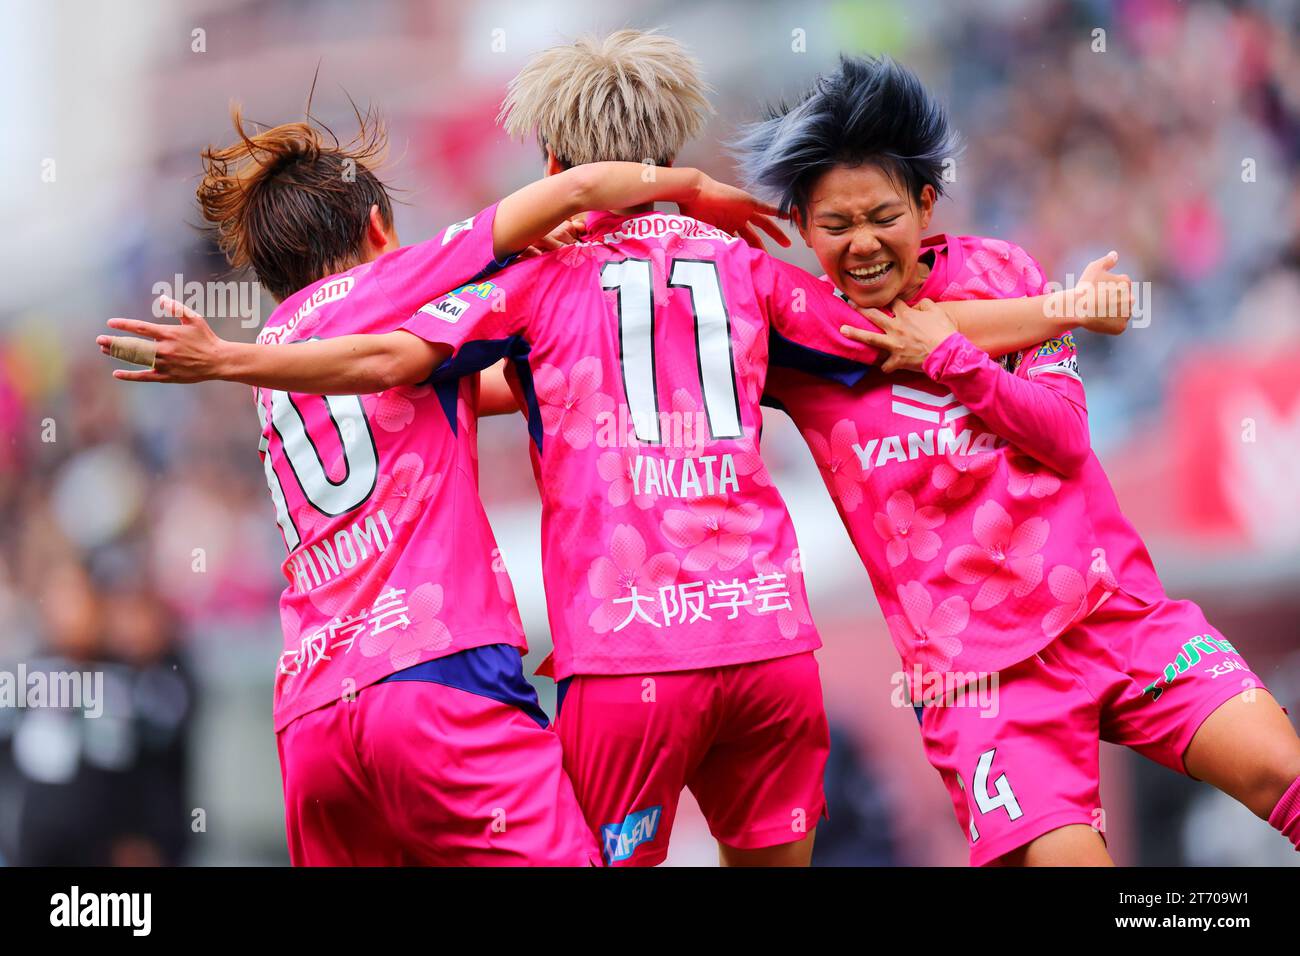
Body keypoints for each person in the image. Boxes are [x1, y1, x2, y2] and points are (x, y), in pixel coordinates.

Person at [108, 31, 1129, 867]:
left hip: (612, 664)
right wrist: (1058, 306)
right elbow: (893, 332)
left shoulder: (520, 286)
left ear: (556, 162)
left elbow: (401, 362)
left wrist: (231, 361)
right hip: (769, 644)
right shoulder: (744, 268)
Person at [101, 101, 784, 866]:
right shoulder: (391, 283)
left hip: (313, 723)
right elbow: (574, 190)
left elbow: (477, 382)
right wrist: (691, 185)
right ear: (377, 231)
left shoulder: (281, 361)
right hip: (435, 677)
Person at [735, 54, 1300, 865]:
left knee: (1282, 769)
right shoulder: (799, 339)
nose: (861, 243)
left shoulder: (1001, 273)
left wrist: (951, 355)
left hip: (1116, 616)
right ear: (801, 228)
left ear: (926, 203)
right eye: (835, 225)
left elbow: (1065, 437)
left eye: (882, 215)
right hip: (983, 684)